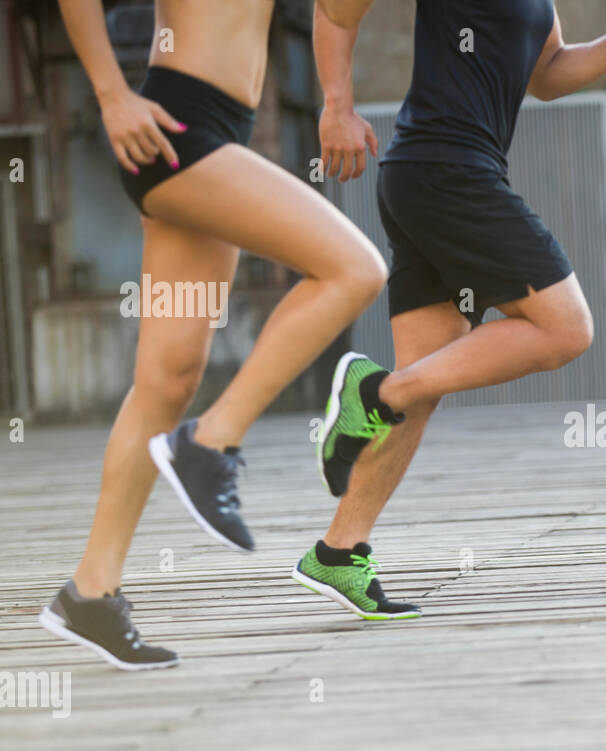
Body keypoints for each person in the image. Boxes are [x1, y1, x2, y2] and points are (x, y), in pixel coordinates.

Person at [293, 0, 606, 619]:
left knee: (427, 384)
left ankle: (339, 549)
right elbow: (336, 10)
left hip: (438, 175)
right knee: (566, 329)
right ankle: (374, 394)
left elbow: (548, 74)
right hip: (446, 172)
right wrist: (336, 105)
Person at [39, 0, 391, 669]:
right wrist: (111, 95)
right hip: (179, 130)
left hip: (216, 133)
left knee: (166, 382)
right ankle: (211, 442)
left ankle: (90, 592)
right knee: (354, 269)